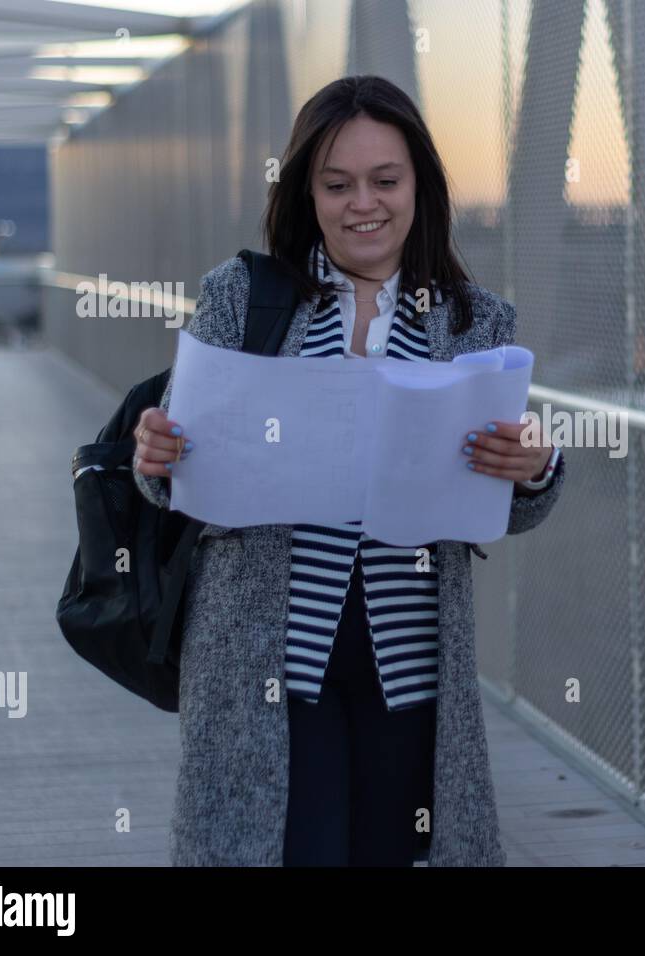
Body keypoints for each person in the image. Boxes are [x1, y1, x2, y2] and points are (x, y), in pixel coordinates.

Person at [130, 75, 566, 866]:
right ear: (308, 193)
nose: (362, 203)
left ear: (419, 187)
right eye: (337, 184)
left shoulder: (475, 320)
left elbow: (509, 503)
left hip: (411, 667)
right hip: (269, 661)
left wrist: (534, 467)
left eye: (384, 180)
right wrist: (155, 454)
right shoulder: (244, 300)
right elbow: (171, 470)